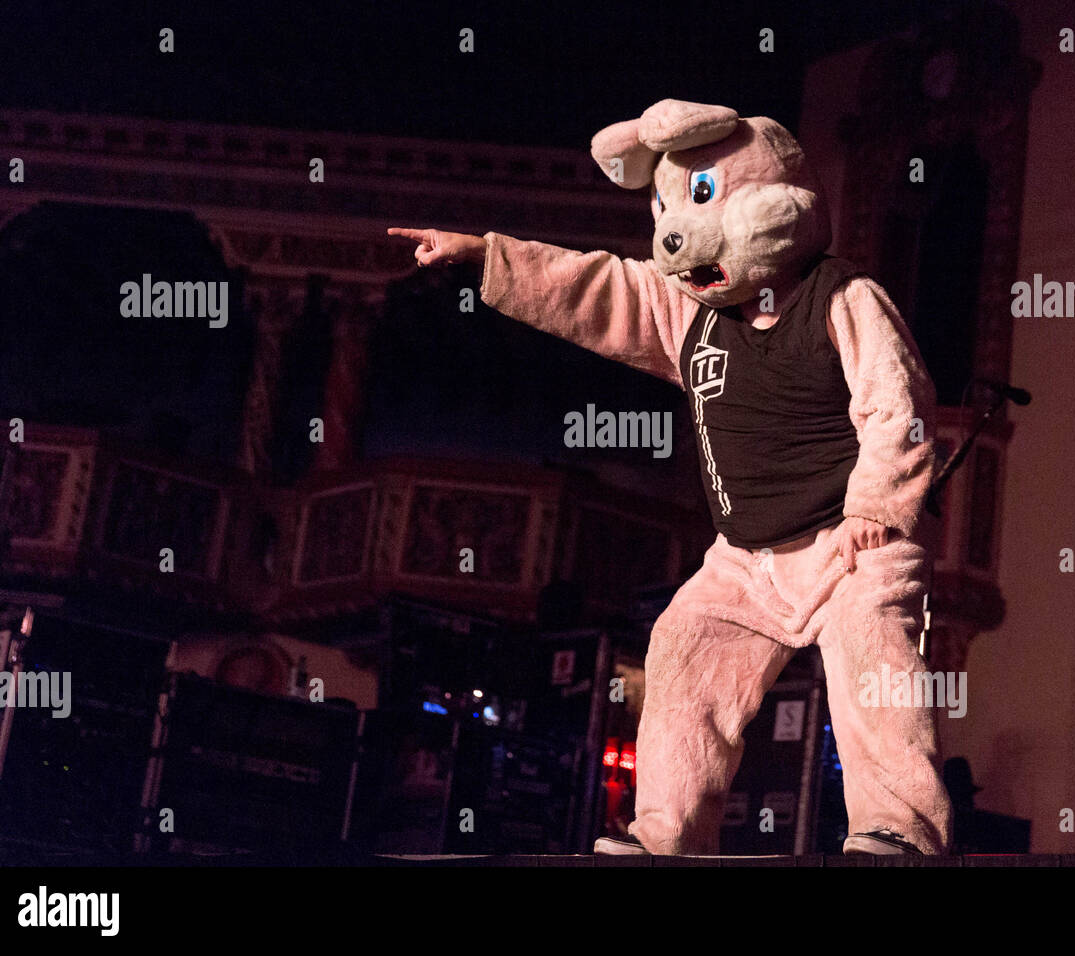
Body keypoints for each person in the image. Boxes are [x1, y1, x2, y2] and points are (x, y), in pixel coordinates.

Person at [388, 99, 953, 856]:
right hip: (745, 557)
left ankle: (900, 832)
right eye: (666, 208)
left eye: (701, 198)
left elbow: (899, 401)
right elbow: (592, 289)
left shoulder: (844, 299)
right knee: (683, 645)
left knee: (871, 646)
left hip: (850, 543)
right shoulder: (688, 314)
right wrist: (484, 254)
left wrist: (877, 507)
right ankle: (667, 839)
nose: (675, 235)